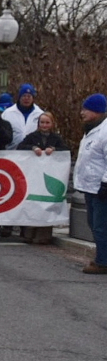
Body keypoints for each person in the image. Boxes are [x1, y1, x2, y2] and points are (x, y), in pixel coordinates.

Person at [16, 112, 69, 245]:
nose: (44, 125)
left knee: (47, 203)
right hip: (34, 175)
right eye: (42, 122)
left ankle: (43, 235)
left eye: (47, 122)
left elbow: (67, 150)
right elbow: (20, 147)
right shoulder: (32, 137)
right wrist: (33, 148)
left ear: (52, 124)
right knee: (33, 202)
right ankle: (28, 233)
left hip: (50, 175)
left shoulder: (56, 138)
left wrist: (54, 149)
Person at [75, 94, 107, 274]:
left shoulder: (105, 131)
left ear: (96, 111)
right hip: (90, 186)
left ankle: (103, 262)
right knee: (94, 224)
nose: (82, 113)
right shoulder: (91, 129)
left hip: (100, 188)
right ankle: (102, 256)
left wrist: (105, 183)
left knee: (101, 226)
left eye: (85, 109)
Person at [1, 83, 44, 150]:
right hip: (11, 153)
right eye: (24, 96)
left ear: (33, 98)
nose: (26, 99)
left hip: (33, 154)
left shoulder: (39, 114)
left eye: (29, 96)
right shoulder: (8, 113)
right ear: (19, 97)